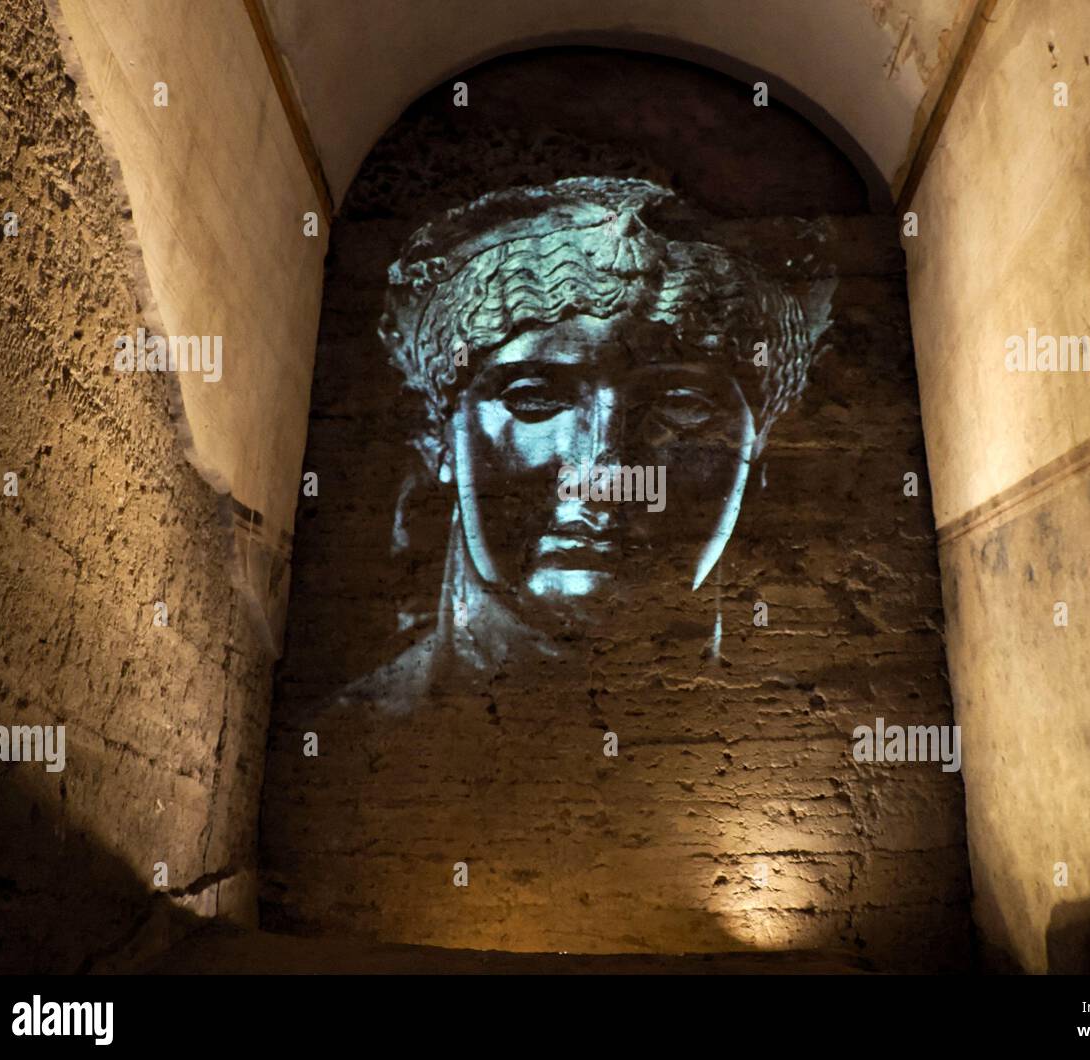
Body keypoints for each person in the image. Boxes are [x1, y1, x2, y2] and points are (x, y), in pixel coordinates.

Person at [337, 176, 834, 714]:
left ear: (758, 452)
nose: (604, 474)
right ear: (439, 441)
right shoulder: (347, 740)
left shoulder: (793, 738)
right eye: (533, 402)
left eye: (682, 407)